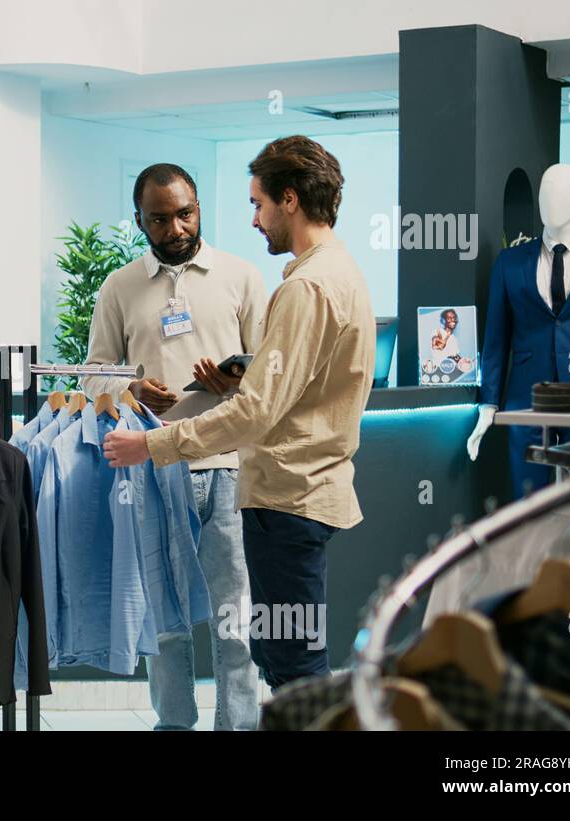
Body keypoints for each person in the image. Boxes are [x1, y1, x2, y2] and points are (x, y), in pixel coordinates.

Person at [102, 135, 375, 693]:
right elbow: (286, 385)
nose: (254, 219)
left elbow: (257, 411)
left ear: (290, 200)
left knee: (292, 667)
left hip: (285, 498)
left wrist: (153, 444)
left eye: (258, 203)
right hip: (293, 497)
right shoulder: (336, 272)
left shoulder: (307, 286)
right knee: (283, 657)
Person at [81, 162, 267, 731]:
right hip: (153, 468)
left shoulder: (240, 276)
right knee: (166, 622)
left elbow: (270, 369)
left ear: (199, 210)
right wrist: (128, 386)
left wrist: (236, 378)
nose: (176, 228)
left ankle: (237, 725)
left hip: (230, 466)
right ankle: (174, 725)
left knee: (234, 619)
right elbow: (89, 374)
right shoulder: (119, 287)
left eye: (185, 214)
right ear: (139, 220)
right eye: (160, 219)